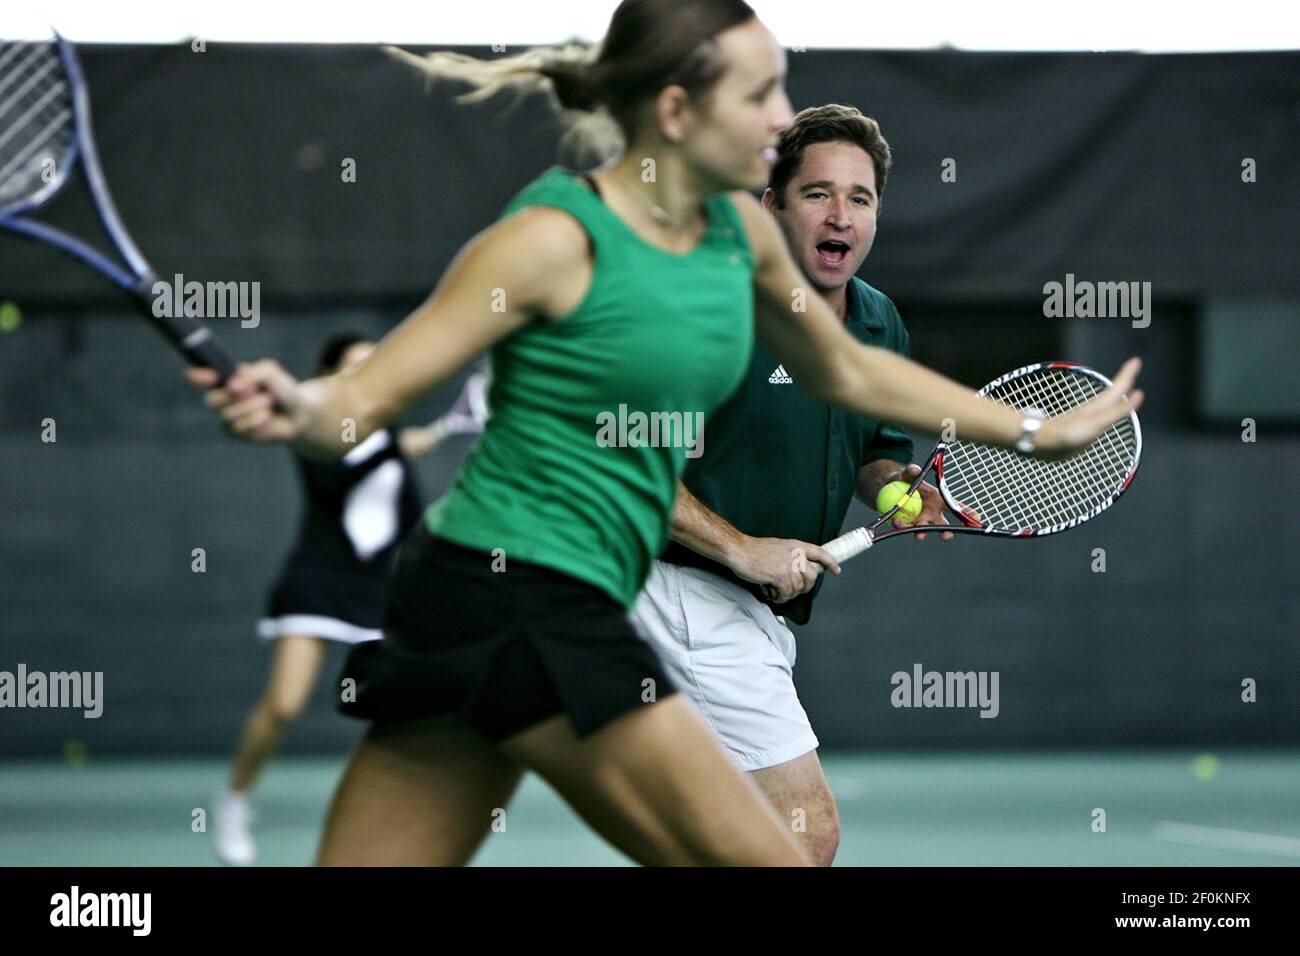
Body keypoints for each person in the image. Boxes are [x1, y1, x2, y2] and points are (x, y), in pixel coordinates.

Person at [188, 0, 1142, 866]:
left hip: (538, 600)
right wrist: (293, 409)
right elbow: (365, 403)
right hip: (511, 590)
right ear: (679, 112)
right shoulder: (553, 237)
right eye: (761, 92)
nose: (781, 117)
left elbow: (845, 370)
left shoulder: (738, 232)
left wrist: (1030, 430)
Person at [635, 104, 950, 865]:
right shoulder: (714, 313)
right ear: (770, 204)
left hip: (763, 613)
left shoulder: (878, 323)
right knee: (805, 834)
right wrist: (740, 548)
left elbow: (876, 449)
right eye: (817, 193)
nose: (841, 214)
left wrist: (897, 491)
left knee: (720, 840)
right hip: (683, 590)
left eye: (861, 197)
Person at [212, 333, 489, 865]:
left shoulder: (390, 433)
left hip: (379, 590)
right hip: (317, 581)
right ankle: (234, 801)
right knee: (284, 705)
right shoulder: (314, 431)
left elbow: (407, 523)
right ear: (331, 376)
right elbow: (332, 488)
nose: (370, 373)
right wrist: (391, 446)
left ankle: (410, 824)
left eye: (375, 364)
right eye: (356, 366)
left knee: (409, 712)